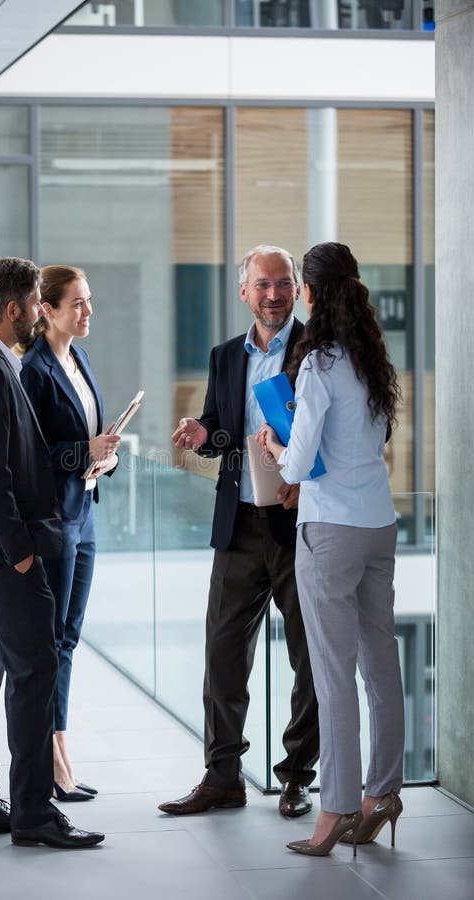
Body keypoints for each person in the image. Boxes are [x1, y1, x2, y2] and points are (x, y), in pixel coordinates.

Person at [0, 256, 104, 849]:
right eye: (36, 303)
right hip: (1, 556)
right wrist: (23, 555)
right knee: (35, 671)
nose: (39, 313)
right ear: (15, 310)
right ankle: (33, 813)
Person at [158, 245, 319, 818]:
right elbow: (226, 430)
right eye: (262, 285)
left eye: (282, 283)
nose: (273, 294)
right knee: (223, 655)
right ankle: (222, 775)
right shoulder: (226, 356)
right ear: (244, 292)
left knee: (311, 659)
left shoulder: (318, 350)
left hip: (302, 528)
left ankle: (299, 777)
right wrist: (205, 432)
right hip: (238, 527)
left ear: (296, 288)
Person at [258, 241, 404, 856]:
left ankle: (337, 809)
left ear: (311, 293)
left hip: (330, 532)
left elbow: (301, 461)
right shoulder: (373, 359)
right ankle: (383, 795)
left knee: (332, 675)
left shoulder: (318, 362)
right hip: (379, 525)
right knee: (381, 664)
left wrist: (272, 447)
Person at [20, 265, 119, 802]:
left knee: (69, 637)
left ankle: (60, 750)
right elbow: (32, 455)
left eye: (89, 301)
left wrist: (104, 458)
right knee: (51, 639)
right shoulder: (33, 371)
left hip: (85, 511)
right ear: (47, 309)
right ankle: (52, 761)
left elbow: (86, 439)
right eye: (76, 303)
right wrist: (85, 453)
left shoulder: (77, 359)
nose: (87, 312)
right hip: (56, 520)